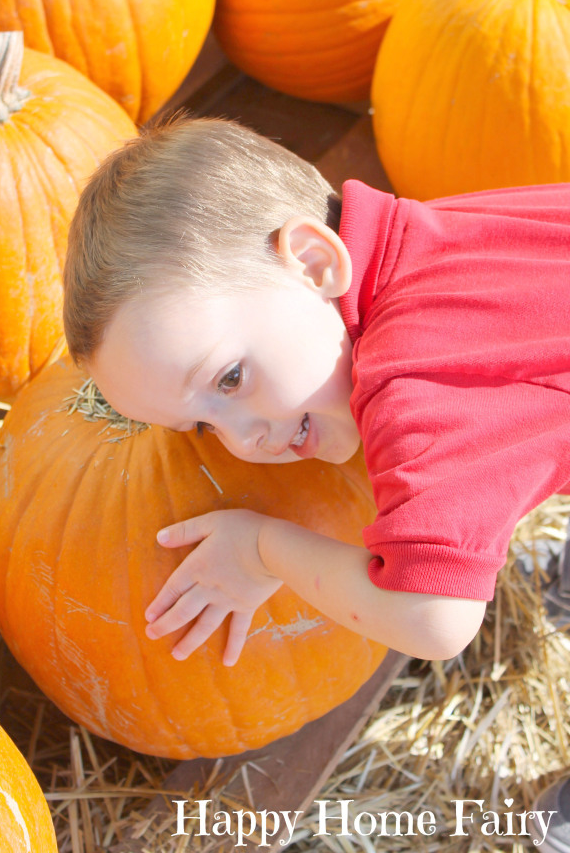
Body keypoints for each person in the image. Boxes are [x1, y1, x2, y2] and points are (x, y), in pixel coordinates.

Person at [62, 112, 570, 669]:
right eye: (203, 426)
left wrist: (262, 550)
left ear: (313, 261)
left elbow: (434, 620)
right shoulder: (436, 233)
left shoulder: (409, 388)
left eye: (230, 378)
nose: (242, 441)